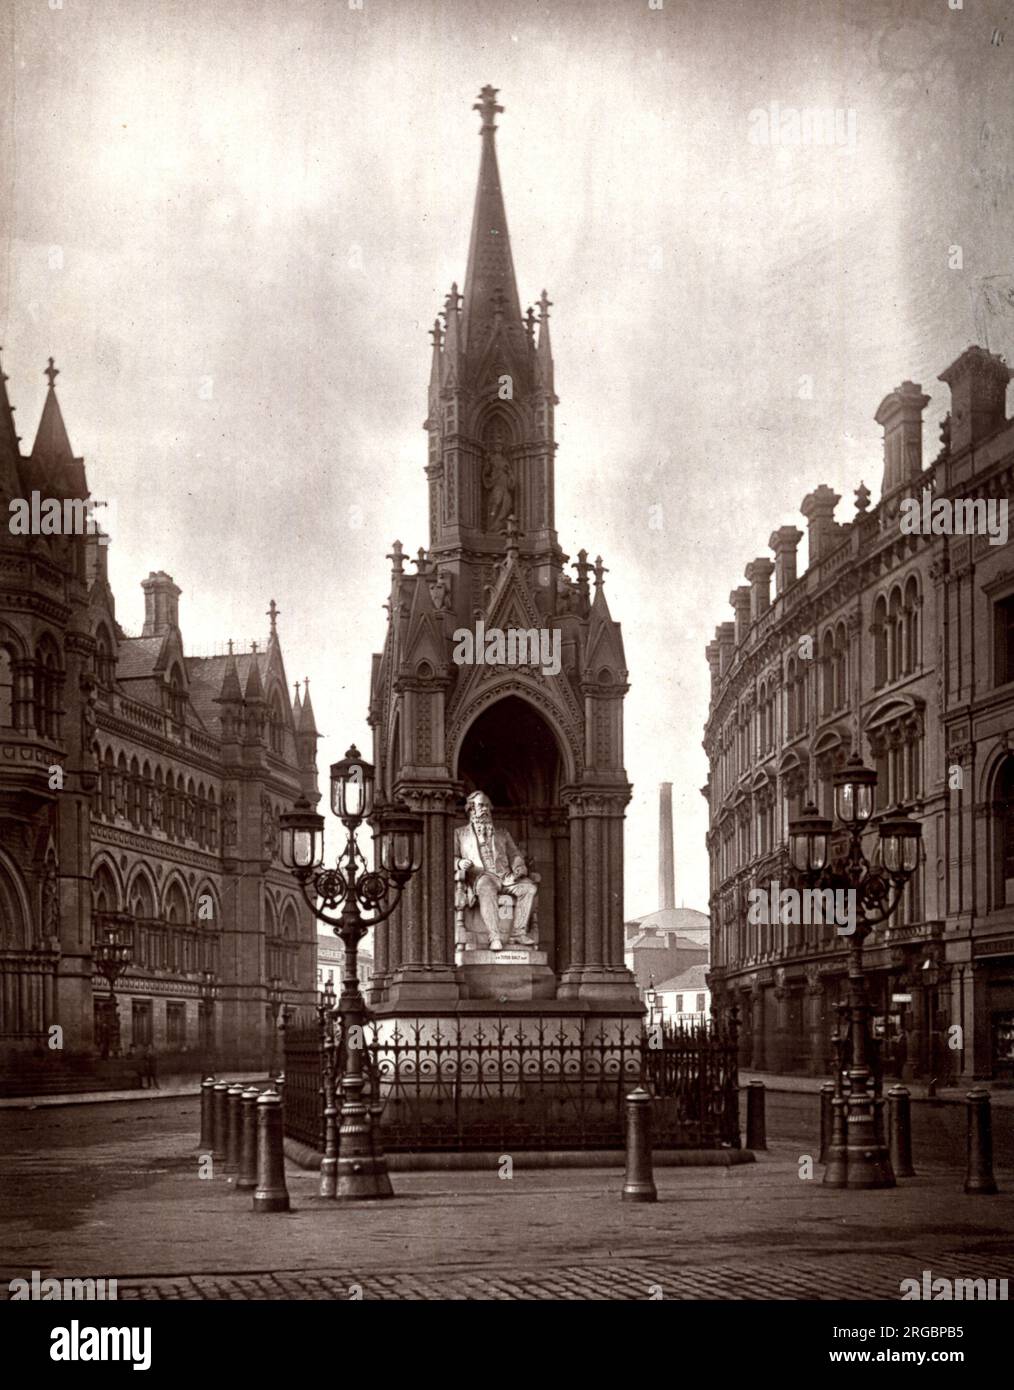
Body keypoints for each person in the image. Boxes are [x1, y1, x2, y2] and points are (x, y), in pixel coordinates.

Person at [453, 790, 537, 951]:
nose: (484, 809)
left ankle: (518, 933)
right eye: (480, 806)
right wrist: (459, 863)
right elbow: (451, 857)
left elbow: (515, 855)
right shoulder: (460, 833)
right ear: (471, 809)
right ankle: (494, 936)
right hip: (480, 876)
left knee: (529, 888)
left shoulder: (502, 833)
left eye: (486, 806)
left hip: (505, 877)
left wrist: (519, 867)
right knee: (486, 887)